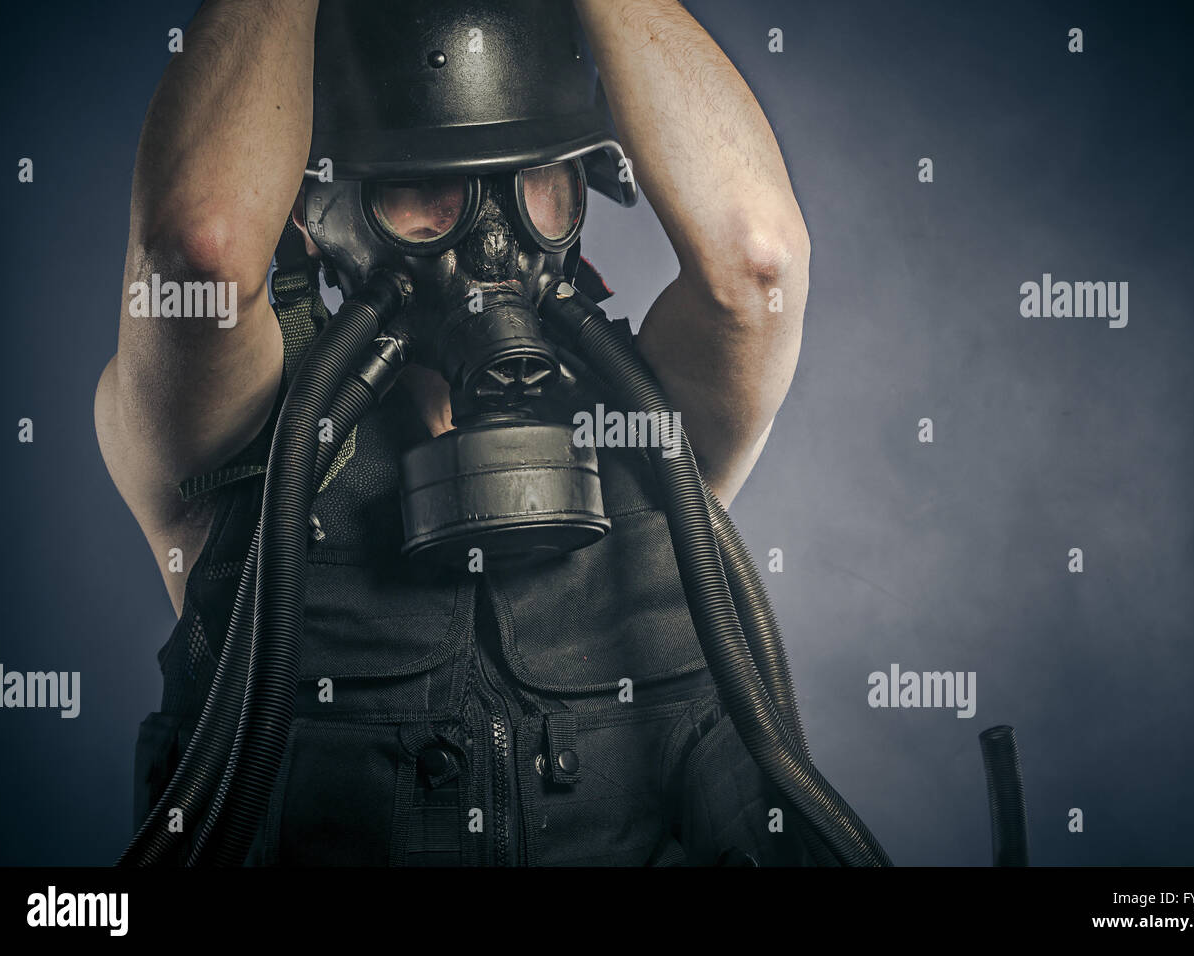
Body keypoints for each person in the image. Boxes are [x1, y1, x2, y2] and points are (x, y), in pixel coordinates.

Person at [96, 0, 814, 866]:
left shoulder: (645, 428)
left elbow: (757, 258)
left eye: (539, 185)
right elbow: (199, 248)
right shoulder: (247, 445)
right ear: (314, 218)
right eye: (426, 191)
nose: (495, 245)